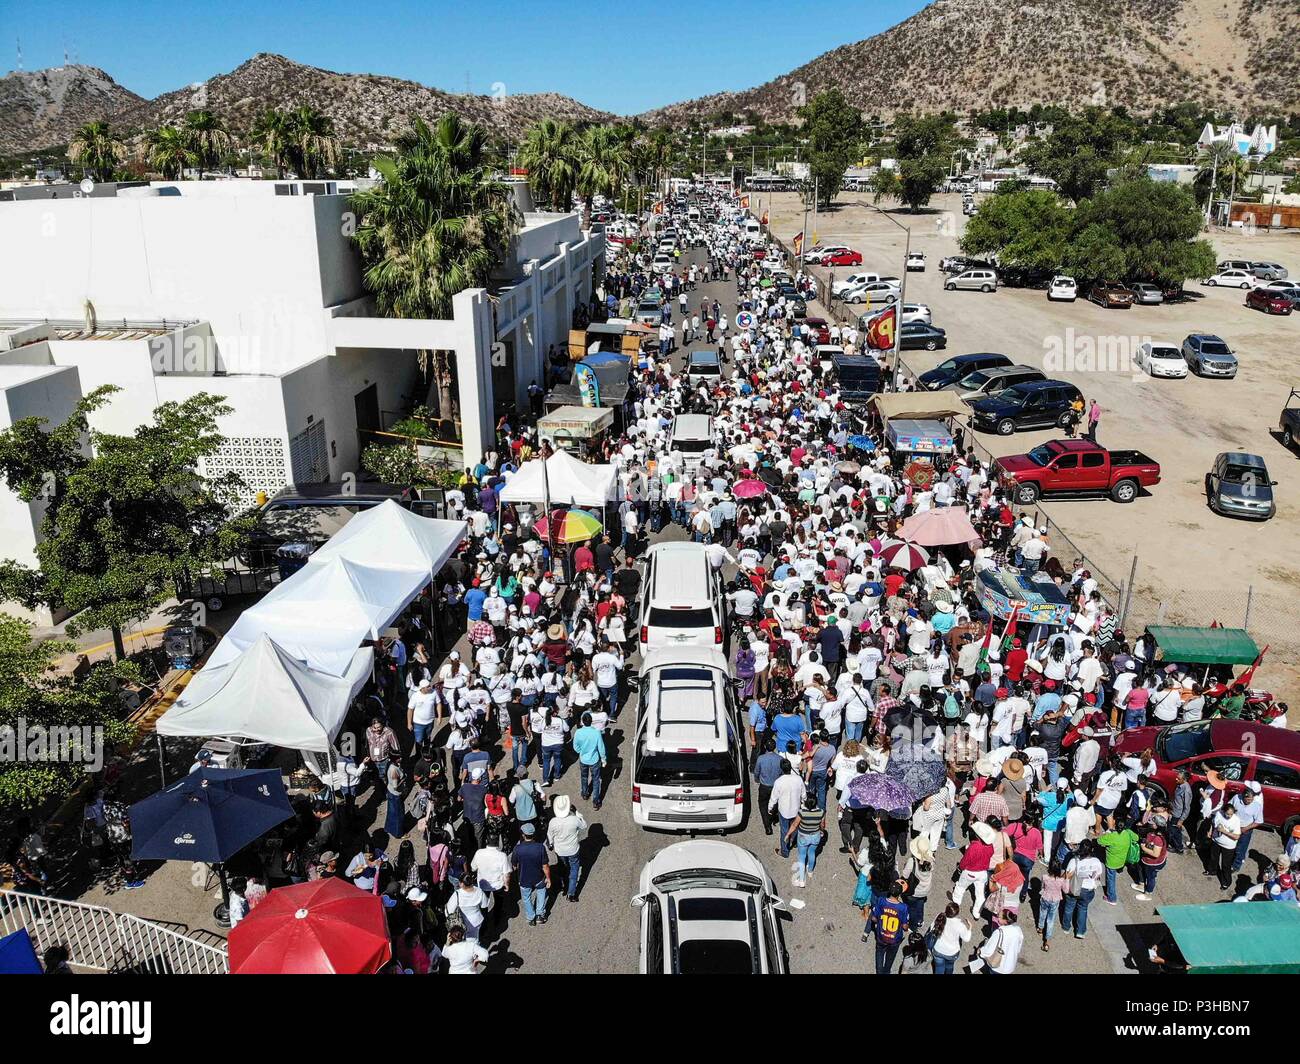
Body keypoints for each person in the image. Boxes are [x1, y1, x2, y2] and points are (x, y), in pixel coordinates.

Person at [546, 795, 586, 903]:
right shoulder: (574, 820)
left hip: (560, 850)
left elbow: (550, 835)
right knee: (574, 870)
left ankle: (563, 884)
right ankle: (571, 894)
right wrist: (577, 813)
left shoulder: (553, 822)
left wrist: (551, 843)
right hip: (573, 849)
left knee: (563, 866)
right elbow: (584, 825)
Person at [1062, 840, 1104, 939]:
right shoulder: (1096, 861)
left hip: (1074, 888)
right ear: (1091, 850)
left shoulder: (1074, 861)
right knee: (1083, 909)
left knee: (1069, 907)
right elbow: (1098, 875)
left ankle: (1066, 927)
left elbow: (1067, 875)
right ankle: (1080, 931)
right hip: (1088, 890)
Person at [512, 822, 551, 926]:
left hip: (524, 878)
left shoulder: (517, 849)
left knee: (526, 898)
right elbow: (545, 866)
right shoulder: (540, 847)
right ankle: (540, 915)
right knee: (541, 892)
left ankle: (531, 917)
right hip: (538, 877)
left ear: (523, 835)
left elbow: (514, 866)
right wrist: (548, 878)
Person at [865, 882, 908, 975]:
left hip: (881, 936)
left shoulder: (881, 901)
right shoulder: (903, 907)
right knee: (889, 961)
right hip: (895, 939)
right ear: (899, 894)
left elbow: (873, 918)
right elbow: (905, 927)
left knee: (879, 954)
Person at [769, 760, 806, 859]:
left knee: (784, 831)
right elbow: (804, 795)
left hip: (784, 811)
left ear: (781, 769)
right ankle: (794, 842)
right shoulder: (798, 779)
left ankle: (785, 851)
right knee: (795, 827)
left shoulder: (779, 782)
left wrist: (770, 808)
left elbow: (774, 798)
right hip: (796, 809)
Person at [1097, 817, 1138, 904]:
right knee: (1116, 872)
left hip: (1112, 863)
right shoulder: (1128, 833)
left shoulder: (1112, 836)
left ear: (1115, 826)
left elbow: (1099, 841)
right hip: (1122, 860)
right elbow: (1137, 838)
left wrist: (1107, 834)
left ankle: (1112, 898)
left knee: (1111, 880)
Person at [572, 712, 608, 809]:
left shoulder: (578, 732)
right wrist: (603, 759)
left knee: (584, 777)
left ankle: (585, 793)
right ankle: (596, 801)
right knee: (596, 780)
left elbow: (575, 747)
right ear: (591, 721)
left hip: (583, 759)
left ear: (582, 721)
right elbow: (601, 748)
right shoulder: (596, 732)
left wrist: (581, 752)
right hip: (594, 760)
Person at [788, 792, 826, 880]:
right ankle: (810, 871)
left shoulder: (802, 813)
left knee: (802, 856)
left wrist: (788, 834)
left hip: (803, 836)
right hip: (816, 836)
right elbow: (822, 825)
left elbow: (794, 825)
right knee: (812, 853)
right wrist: (822, 831)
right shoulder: (821, 812)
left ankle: (801, 879)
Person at [927, 902, 971, 975]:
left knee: (938, 968)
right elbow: (966, 939)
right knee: (949, 967)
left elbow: (932, 928)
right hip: (952, 952)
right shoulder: (960, 925)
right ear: (957, 913)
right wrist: (970, 928)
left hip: (938, 949)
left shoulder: (940, 916)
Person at [1037, 858, 1070, 951]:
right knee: (1051, 920)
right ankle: (1047, 941)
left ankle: (1040, 928)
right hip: (1055, 900)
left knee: (1042, 913)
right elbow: (1066, 890)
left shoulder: (1044, 877)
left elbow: (1042, 887)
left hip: (1045, 897)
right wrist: (1066, 879)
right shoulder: (1061, 880)